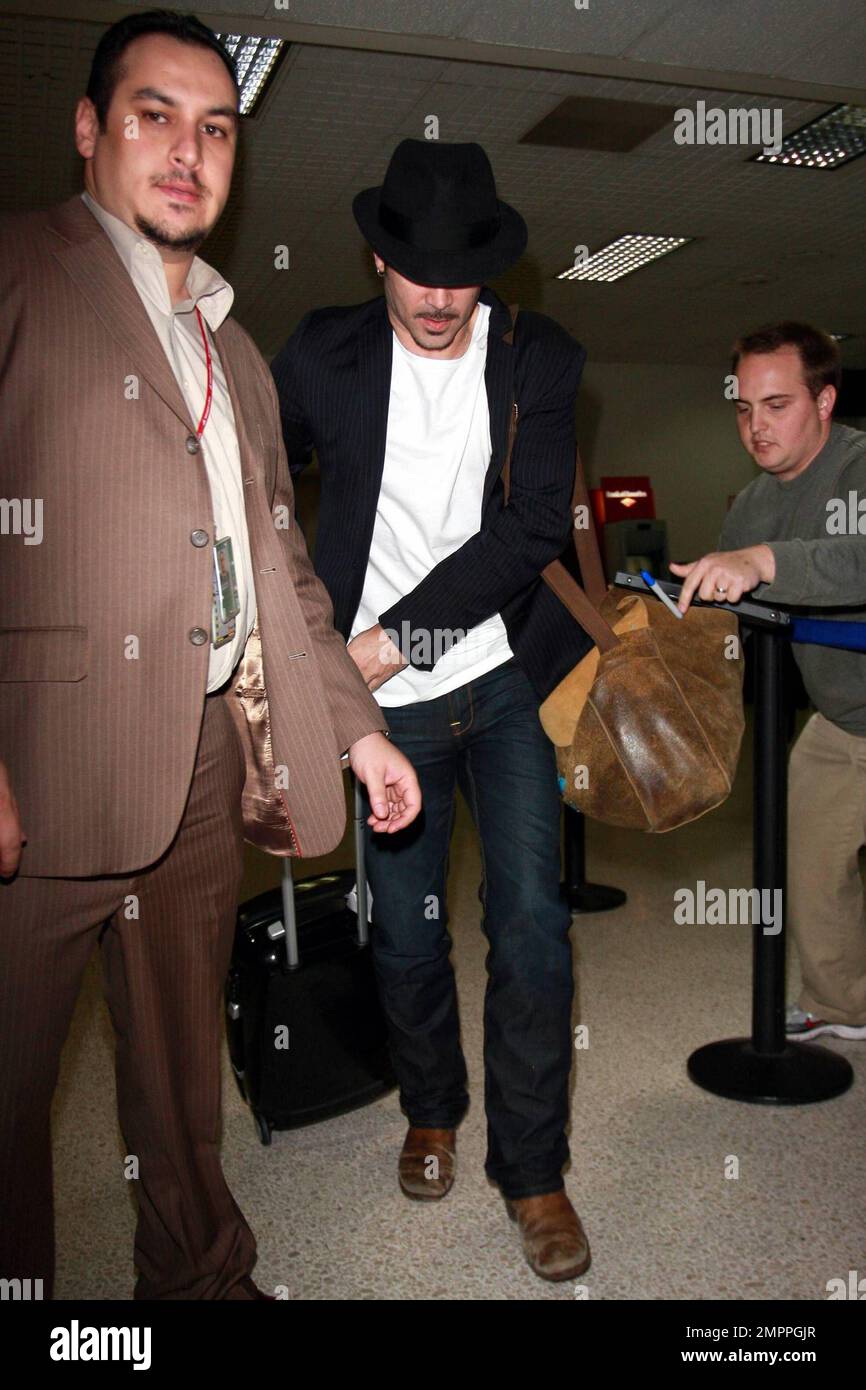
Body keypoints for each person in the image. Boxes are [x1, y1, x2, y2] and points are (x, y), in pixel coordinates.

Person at [0, 10, 421, 1302]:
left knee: (182, 1066)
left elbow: (281, 569)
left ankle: (198, 1277)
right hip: (39, 766)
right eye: (153, 114)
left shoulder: (236, 351)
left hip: (196, 760)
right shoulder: (19, 271)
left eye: (217, 126)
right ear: (88, 128)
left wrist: (356, 727)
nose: (188, 149)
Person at [272, 138, 595, 1282]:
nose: (439, 298)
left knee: (532, 931)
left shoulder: (538, 359)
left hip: (498, 679)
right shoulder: (321, 353)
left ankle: (535, 1172)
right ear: (377, 258)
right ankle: (430, 1110)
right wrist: (320, 648)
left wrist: (393, 635)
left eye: (461, 274)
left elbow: (528, 533)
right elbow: (264, 489)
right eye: (417, 272)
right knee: (403, 932)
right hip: (380, 711)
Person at [671, 322, 866, 1043]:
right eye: (744, 407)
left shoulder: (858, 466)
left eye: (777, 405)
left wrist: (764, 561)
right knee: (811, 857)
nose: (757, 426)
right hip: (845, 715)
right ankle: (843, 1002)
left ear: (823, 402)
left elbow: (854, 559)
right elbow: (740, 612)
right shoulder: (757, 500)